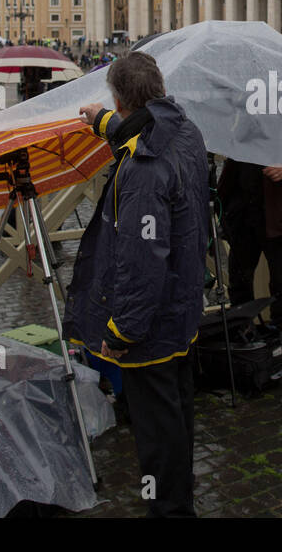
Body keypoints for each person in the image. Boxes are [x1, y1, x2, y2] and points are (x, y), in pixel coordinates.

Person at [67, 52, 208, 518]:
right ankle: (179, 497)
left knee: (157, 431)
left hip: (151, 326)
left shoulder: (144, 167)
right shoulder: (185, 131)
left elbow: (142, 262)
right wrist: (102, 121)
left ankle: (170, 510)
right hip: (183, 308)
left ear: (120, 98)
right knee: (177, 413)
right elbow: (140, 129)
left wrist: (121, 332)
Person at [217, 160, 282, 349]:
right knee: (239, 280)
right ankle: (242, 332)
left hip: (277, 218)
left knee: (281, 283)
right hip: (243, 216)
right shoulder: (240, 130)